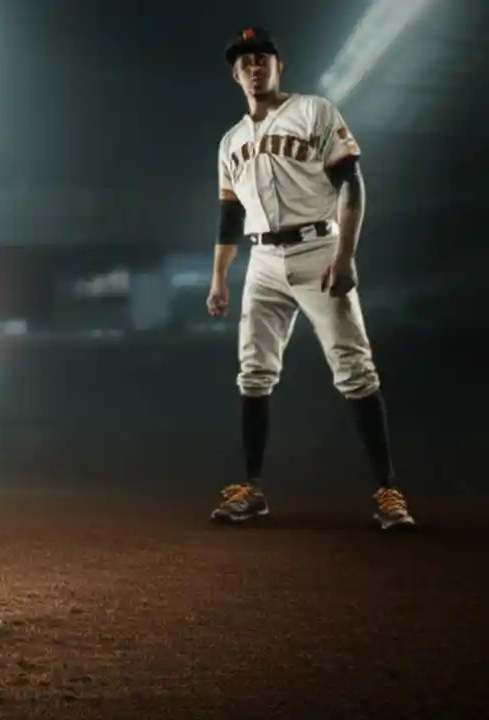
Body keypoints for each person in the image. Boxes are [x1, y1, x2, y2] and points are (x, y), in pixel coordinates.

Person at [205, 27, 415, 530]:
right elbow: (229, 217)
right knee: (253, 372)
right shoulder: (231, 141)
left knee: (355, 368)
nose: (255, 66)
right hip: (262, 261)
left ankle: (388, 491)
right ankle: (251, 489)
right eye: (245, 61)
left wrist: (345, 256)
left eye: (263, 58)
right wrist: (219, 279)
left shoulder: (313, 111)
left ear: (279, 67)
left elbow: (352, 183)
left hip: (320, 247)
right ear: (235, 75)